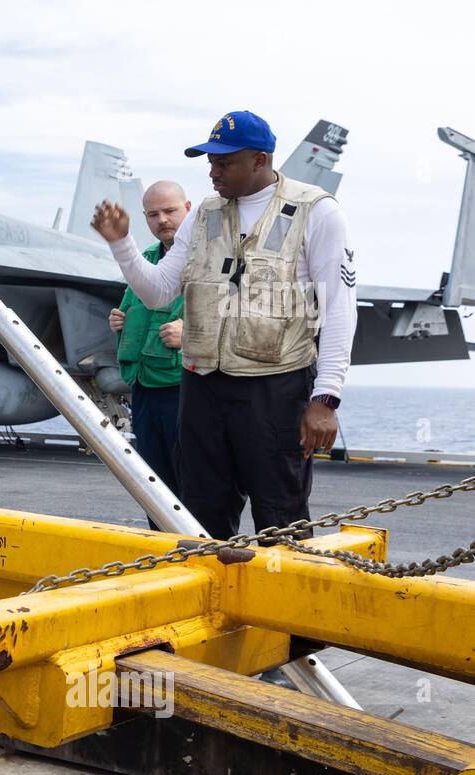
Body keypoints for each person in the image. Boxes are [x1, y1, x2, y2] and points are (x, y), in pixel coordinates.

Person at [92, 111, 356, 540]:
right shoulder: (205, 215)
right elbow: (158, 291)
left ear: (259, 159)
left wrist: (325, 398)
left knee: (280, 516)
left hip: (275, 387)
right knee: (200, 516)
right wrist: (121, 243)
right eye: (209, 162)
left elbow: (340, 309)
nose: (213, 172)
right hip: (202, 388)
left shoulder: (317, 213)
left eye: (224, 163)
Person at [107, 181, 190, 529]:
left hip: (184, 388)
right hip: (145, 390)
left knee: (191, 480)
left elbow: (239, 309)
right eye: (153, 215)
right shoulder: (149, 260)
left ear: (188, 208)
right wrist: (122, 320)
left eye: (170, 211)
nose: (162, 220)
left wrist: (191, 333)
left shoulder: (207, 258)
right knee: (153, 481)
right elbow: (136, 300)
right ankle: (162, 546)